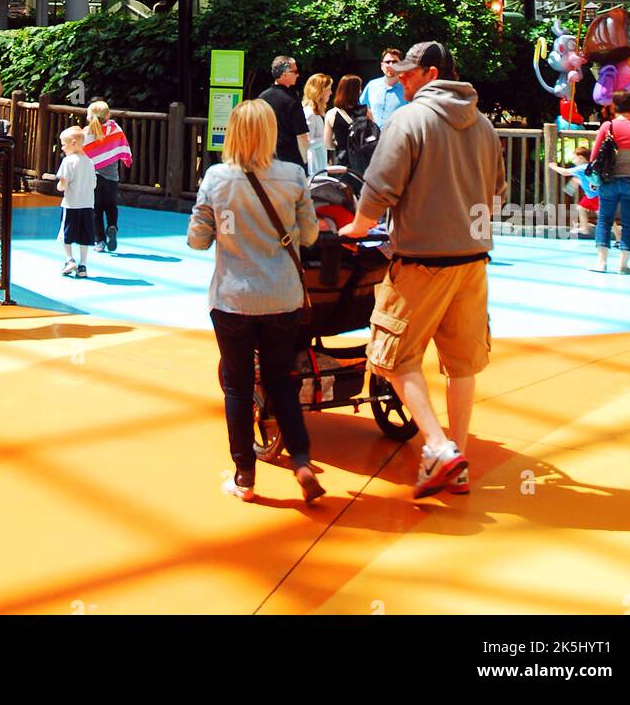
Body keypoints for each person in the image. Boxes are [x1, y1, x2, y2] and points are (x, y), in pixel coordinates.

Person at [339, 42, 506, 500]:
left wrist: (354, 228)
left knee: (392, 355)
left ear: (430, 73)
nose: (402, 79)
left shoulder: (409, 120)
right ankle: (460, 458)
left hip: (421, 263)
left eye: (410, 72)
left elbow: (379, 189)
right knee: (461, 363)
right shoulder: (485, 125)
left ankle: (438, 446)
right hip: (473, 262)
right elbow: (497, 193)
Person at [187, 98, 325, 503]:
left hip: (232, 297)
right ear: (271, 133)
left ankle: (244, 476)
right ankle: (300, 459)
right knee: (281, 379)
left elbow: (197, 239)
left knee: (238, 384)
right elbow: (311, 234)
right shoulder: (294, 175)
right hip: (283, 297)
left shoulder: (216, 178)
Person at [589, 89, 630, 275]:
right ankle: (623, 265)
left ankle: (601, 263)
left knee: (604, 220)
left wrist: (594, 180)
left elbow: (595, 157)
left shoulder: (607, 127)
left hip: (609, 181)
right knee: (629, 223)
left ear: (614, 107)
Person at [84, 100, 132, 253]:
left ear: (89, 116)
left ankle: (100, 241)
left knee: (96, 209)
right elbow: (123, 147)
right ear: (108, 115)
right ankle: (112, 226)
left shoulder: (87, 132)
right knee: (111, 205)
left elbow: (82, 152)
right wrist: (127, 159)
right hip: (112, 178)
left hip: (94, 178)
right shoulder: (115, 129)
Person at [56, 125, 97, 278]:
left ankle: (69, 260)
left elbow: (63, 184)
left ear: (73, 143)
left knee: (66, 235)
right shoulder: (90, 162)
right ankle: (83, 265)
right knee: (85, 236)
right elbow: (93, 184)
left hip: (71, 204)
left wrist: (60, 186)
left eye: (64, 144)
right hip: (87, 205)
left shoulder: (68, 161)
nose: (62, 147)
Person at [258, 56, 308, 168]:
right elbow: (301, 135)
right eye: (295, 72)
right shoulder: (292, 99)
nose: (298, 75)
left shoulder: (262, 98)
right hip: (290, 159)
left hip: (265, 158)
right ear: (284, 75)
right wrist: (305, 161)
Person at [360, 48, 406, 128]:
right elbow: (362, 109)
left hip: (398, 137)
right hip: (373, 138)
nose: (390, 65)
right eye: (387, 62)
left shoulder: (407, 88)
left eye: (394, 62)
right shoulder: (371, 86)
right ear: (382, 66)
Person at [323, 74, 363, 167]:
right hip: (361, 162)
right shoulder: (366, 112)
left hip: (341, 161)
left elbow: (327, 144)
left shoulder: (331, 114)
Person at [302, 73, 332, 178]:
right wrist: (328, 138)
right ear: (319, 91)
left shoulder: (319, 111)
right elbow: (307, 143)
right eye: (328, 89)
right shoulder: (309, 113)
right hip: (313, 167)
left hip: (320, 164)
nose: (331, 92)